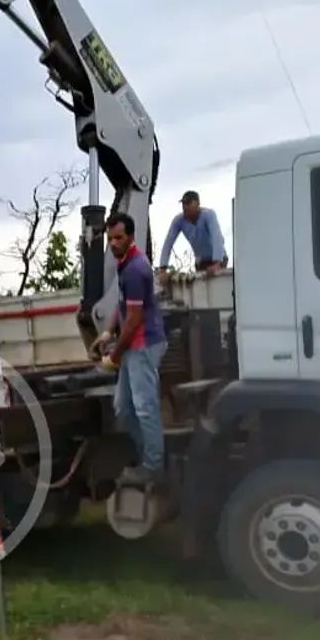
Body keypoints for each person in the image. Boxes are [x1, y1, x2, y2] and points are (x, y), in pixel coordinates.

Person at [93, 212, 167, 486]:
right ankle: (148, 456)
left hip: (144, 344)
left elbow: (134, 320)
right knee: (123, 407)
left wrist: (113, 357)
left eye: (118, 238)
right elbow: (123, 305)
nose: (113, 243)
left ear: (131, 237)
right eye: (110, 238)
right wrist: (107, 332)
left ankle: (154, 467)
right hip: (132, 345)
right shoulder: (124, 263)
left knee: (145, 408)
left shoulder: (136, 269)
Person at [157, 190, 228, 277]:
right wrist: (162, 268)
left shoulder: (209, 215)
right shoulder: (179, 220)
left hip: (219, 259)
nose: (185, 207)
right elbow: (168, 243)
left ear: (197, 203)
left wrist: (217, 263)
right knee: (200, 283)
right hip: (201, 262)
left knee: (217, 281)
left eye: (188, 203)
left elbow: (217, 238)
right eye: (183, 204)